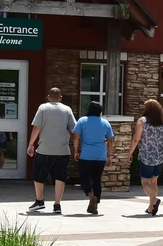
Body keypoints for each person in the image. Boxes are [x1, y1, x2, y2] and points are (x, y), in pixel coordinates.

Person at [27, 86, 76, 214]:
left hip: (44, 149)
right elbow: (73, 130)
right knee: (60, 177)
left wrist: (31, 144)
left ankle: (39, 200)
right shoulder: (67, 109)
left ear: (48, 97)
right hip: (63, 151)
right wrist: (76, 146)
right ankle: (57, 204)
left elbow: (36, 127)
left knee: (38, 175)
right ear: (60, 98)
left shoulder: (43, 108)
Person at [128, 98, 163, 216]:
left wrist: (130, 152)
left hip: (147, 156)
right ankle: (151, 207)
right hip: (160, 156)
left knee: (145, 182)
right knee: (154, 181)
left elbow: (136, 138)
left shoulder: (142, 121)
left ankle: (154, 199)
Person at [72, 100, 115, 215]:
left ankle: (91, 196)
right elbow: (110, 141)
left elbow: (76, 137)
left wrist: (75, 151)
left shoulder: (82, 121)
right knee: (97, 179)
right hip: (100, 156)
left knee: (84, 178)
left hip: (86, 155)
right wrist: (109, 156)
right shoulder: (105, 123)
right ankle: (95, 203)